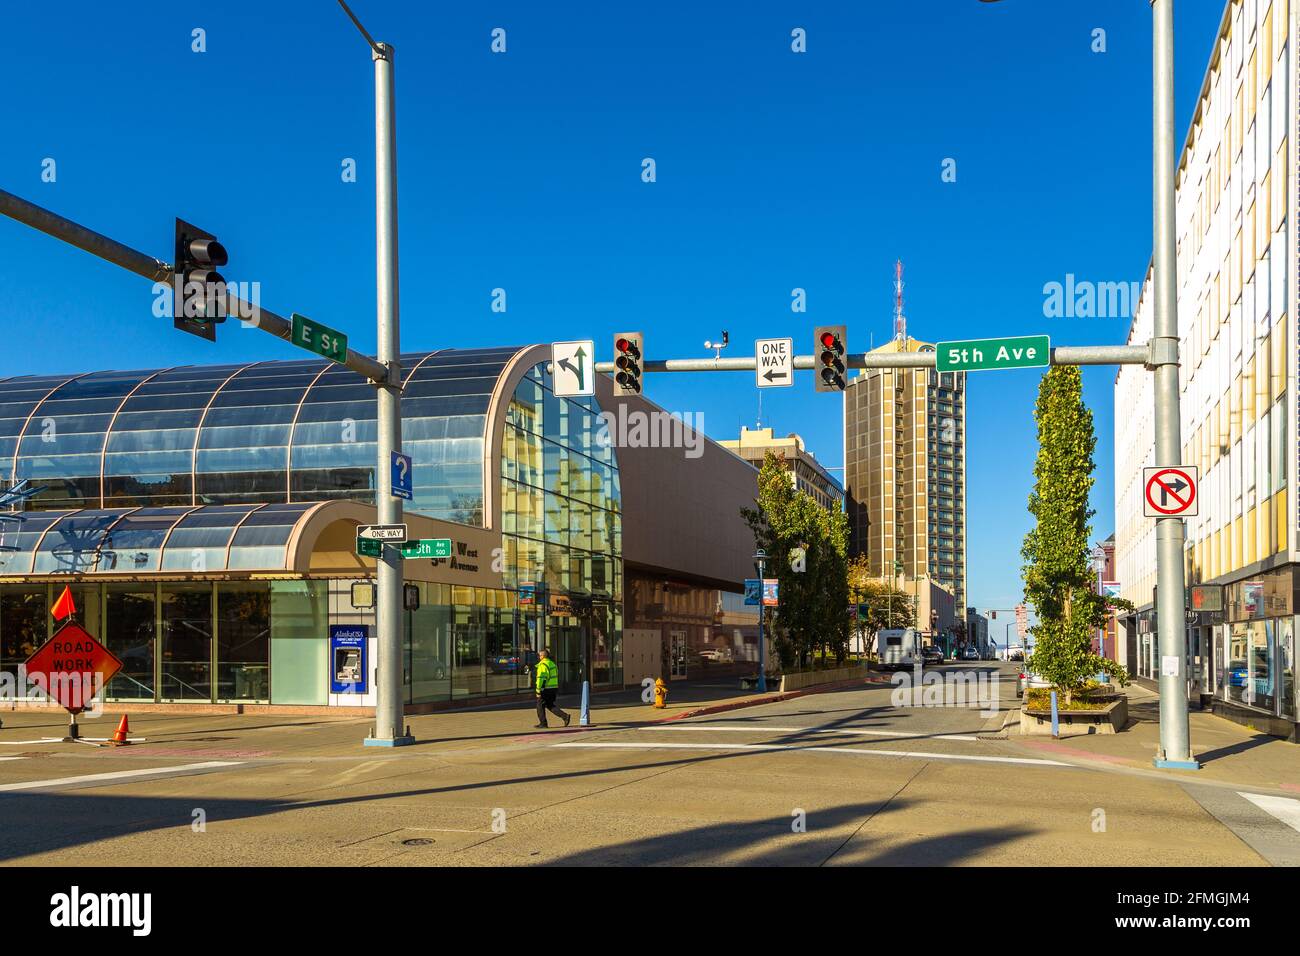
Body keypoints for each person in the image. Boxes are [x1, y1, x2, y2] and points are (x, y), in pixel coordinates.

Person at [533, 647, 570, 729]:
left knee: (540, 706)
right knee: (550, 705)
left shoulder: (543, 665)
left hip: (545, 689)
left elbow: (542, 679)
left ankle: (543, 723)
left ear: (542, 656)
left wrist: (539, 691)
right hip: (553, 688)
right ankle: (565, 716)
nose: (539, 657)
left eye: (539, 655)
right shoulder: (552, 664)